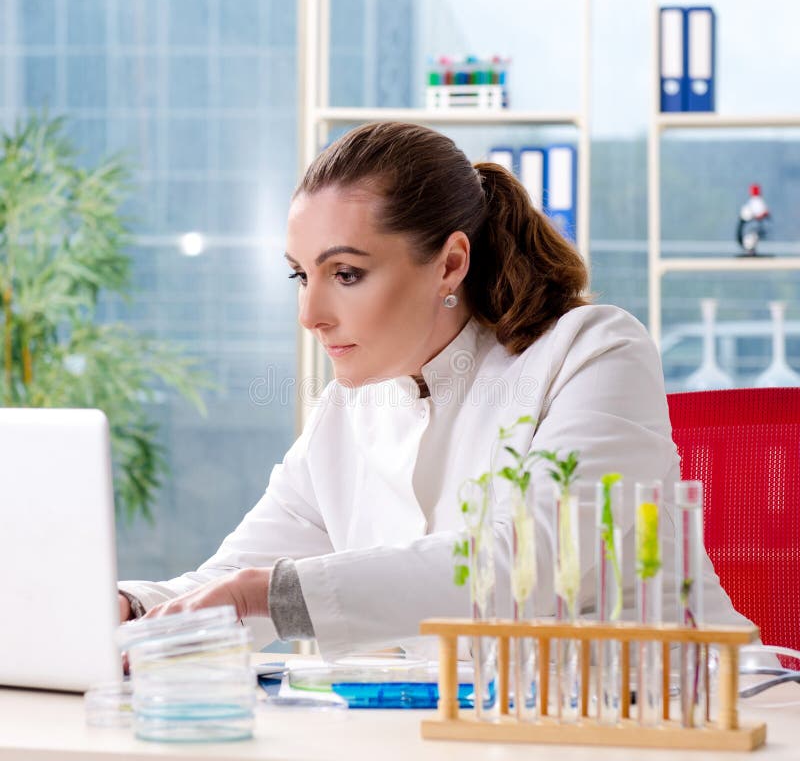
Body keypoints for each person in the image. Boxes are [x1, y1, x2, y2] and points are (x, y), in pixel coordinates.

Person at [118, 122, 747, 660]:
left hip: (692, 719)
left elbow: (537, 565)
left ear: (449, 263)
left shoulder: (592, 350)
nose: (310, 313)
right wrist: (132, 607)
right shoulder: (346, 411)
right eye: (299, 275)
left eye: (346, 273)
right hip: (476, 730)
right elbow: (232, 581)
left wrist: (273, 595)